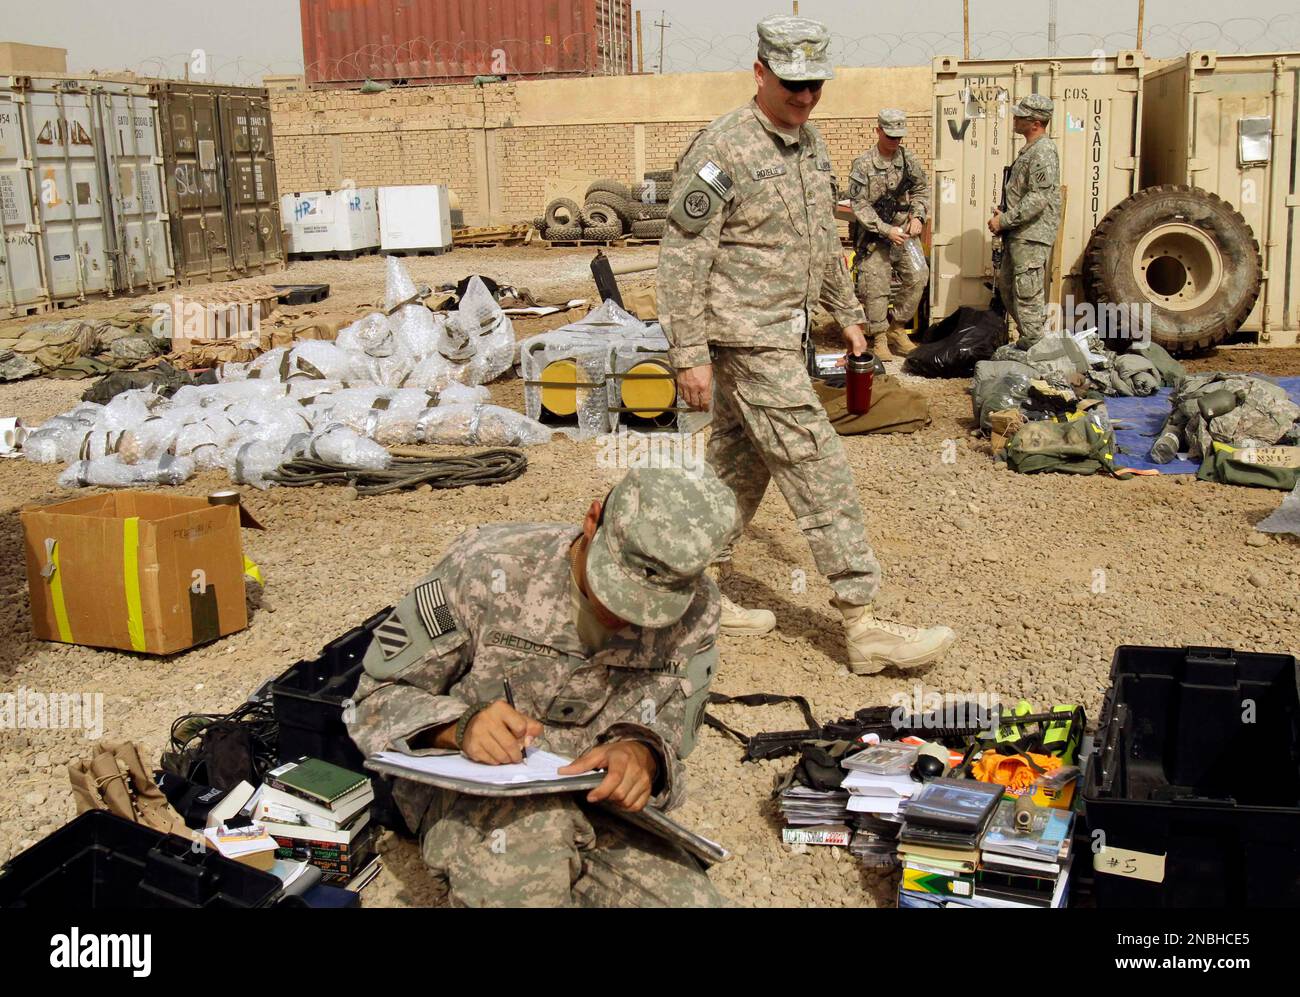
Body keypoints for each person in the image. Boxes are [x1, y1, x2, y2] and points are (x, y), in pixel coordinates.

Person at [657, 13, 956, 673]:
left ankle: (683, 594)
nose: (804, 96)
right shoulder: (721, 150)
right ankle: (864, 622)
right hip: (745, 342)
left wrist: (847, 313)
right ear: (759, 73)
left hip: (785, 335)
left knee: (739, 467)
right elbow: (682, 259)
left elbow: (823, 241)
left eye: (815, 84)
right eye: (792, 83)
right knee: (820, 469)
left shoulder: (811, 145)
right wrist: (687, 354)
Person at [345, 467, 739, 907]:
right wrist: (459, 727)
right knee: (524, 871)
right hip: (479, 796)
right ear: (592, 520)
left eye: (653, 607)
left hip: (599, 805)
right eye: (617, 583)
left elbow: (668, 731)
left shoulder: (699, 609)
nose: (626, 613)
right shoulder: (488, 565)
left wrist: (642, 756)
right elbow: (371, 701)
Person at [847, 109, 931, 360]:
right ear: (878, 131)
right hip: (875, 236)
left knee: (919, 275)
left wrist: (917, 217)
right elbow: (858, 204)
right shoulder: (863, 164)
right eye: (890, 135)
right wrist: (886, 230)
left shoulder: (908, 160)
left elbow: (921, 190)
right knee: (876, 283)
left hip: (905, 232)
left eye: (899, 137)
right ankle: (880, 337)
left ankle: (897, 328)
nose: (895, 141)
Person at [988, 93, 1061, 350]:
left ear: (1035, 123)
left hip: (1031, 235)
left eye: (1022, 116)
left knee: (1027, 294)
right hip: (1019, 233)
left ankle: (1036, 348)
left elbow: (1038, 197)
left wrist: (1004, 220)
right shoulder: (1030, 150)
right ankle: (1030, 342)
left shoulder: (1043, 151)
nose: (1015, 118)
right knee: (1009, 289)